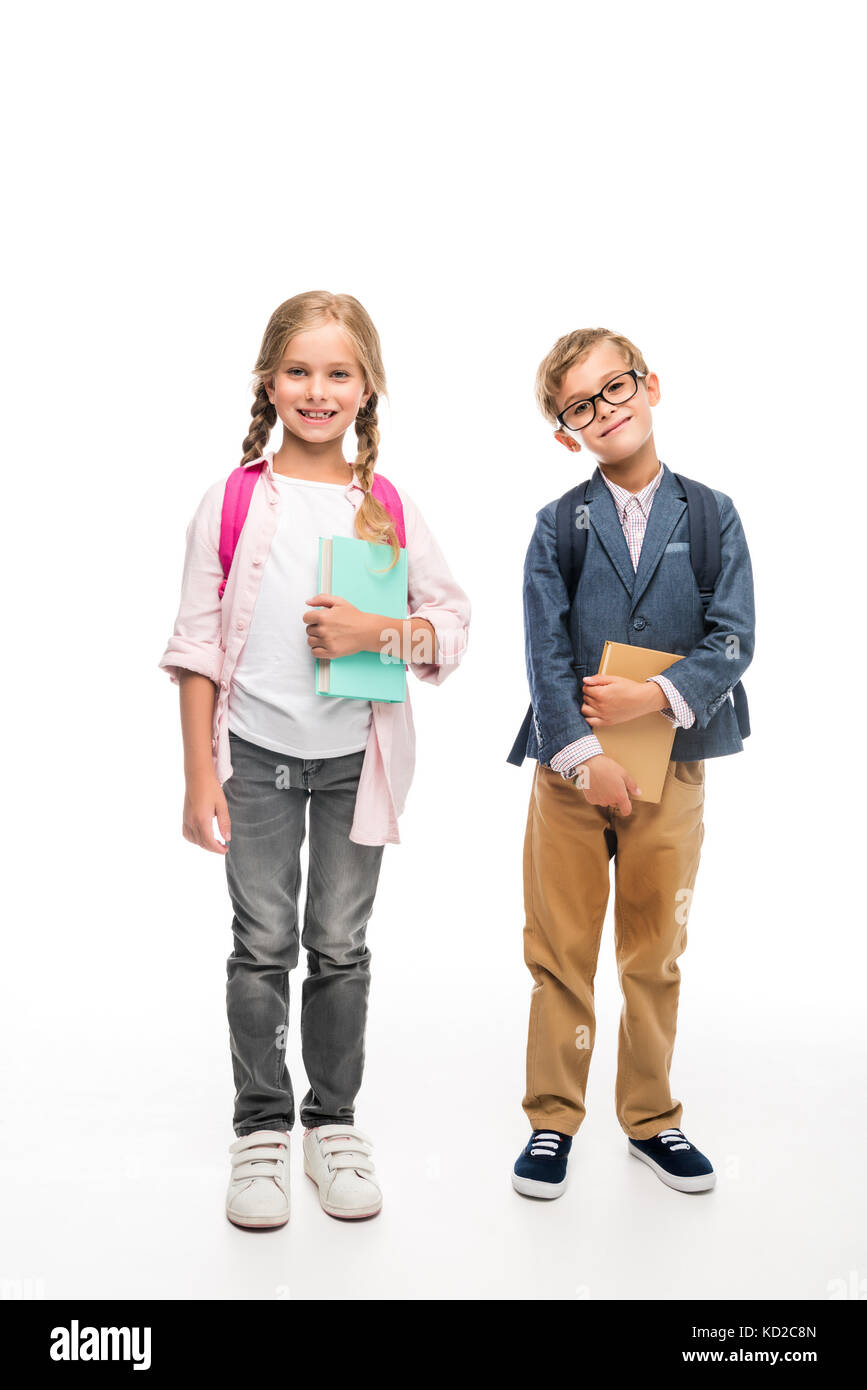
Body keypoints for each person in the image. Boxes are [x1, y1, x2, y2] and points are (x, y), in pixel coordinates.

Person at [158, 291, 471, 1229]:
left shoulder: (384, 506)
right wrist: (197, 774)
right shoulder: (234, 500)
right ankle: (261, 1127)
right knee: (261, 948)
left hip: (352, 766)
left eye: (339, 372)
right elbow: (196, 645)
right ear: (268, 382)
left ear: (367, 387)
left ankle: (331, 1122)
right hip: (253, 761)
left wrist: (383, 632)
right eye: (299, 370)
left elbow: (451, 626)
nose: (317, 389)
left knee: (339, 947)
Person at [508, 327, 755, 1200]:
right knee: (560, 951)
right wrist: (583, 760)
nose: (604, 411)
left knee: (654, 951)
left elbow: (733, 640)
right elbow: (542, 656)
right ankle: (551, 1120)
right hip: (570, 774)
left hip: (676, 764)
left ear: (649, 386)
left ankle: (651, 1119)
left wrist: (651, 700)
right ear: (563, 430)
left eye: (615, 389)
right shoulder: (557, 527)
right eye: (581, 405)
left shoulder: (712, 513)